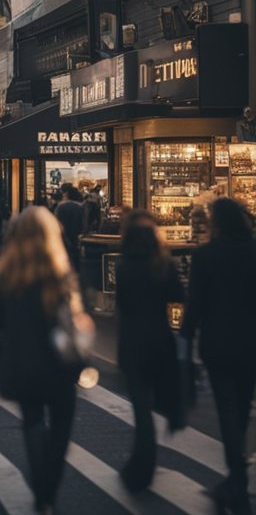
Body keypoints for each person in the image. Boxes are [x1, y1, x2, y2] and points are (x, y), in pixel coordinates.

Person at [0, 206, 94, 515]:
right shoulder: (62, 278)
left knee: (32, 423)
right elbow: (80, 324)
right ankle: (48, 489)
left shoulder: (4, 282)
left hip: (22, 368)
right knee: (60, 430)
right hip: (59, 369)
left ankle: (41, 493)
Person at [181, 197, 256, 514]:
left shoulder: (206, 255)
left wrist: (185, 337)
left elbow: (196, 302)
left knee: (226, 406)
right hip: (251, 341)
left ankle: (236, 474)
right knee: (241, 403)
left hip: (218, 341)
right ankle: (236, 474)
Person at [115, 210, 185, 492]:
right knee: (155, 397)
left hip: (132, 340)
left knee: (140, 406)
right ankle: (147, 457)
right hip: (160, 337)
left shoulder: (123, 266)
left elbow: (121, 305)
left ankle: (141, 464)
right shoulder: (163, 264)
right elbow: (179, 297)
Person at [53, 184, 85, 272]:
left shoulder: (61, 207)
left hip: (63, 242)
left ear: (66, 194)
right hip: (76, 242)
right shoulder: (80, 208)